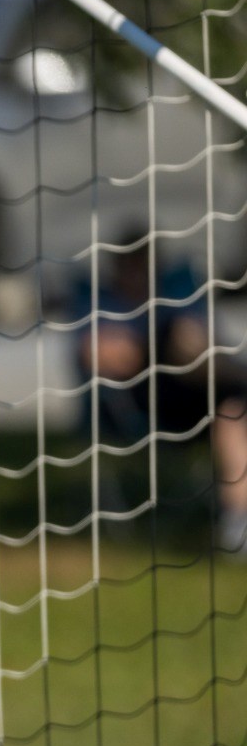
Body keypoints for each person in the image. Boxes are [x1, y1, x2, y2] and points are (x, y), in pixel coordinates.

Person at [71, 235, 247, 555]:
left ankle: (239, 520)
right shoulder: (100, 301)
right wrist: (156, 348)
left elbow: (201, 341)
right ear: (117, 266)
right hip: (135, 404)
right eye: (132, 262)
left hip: (195, 394)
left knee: (230, 405)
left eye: (146, 263)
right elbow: (97, 352)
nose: (139, 271)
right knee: (180, 340)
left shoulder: (176, 293)